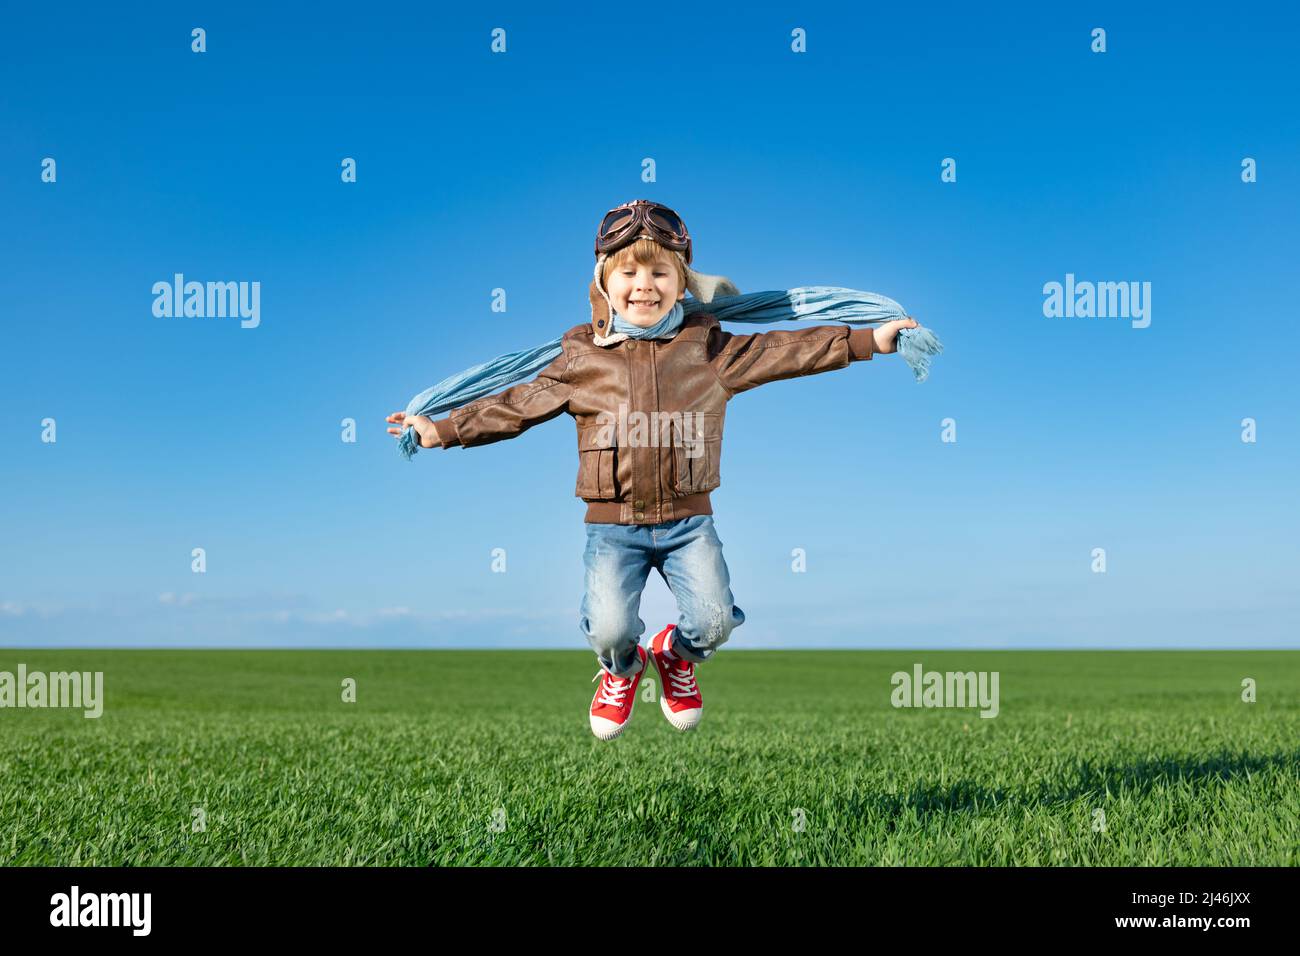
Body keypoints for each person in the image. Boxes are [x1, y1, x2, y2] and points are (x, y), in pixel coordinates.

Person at [386, 200, 920, 740]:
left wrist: (866, 341)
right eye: (629, 272)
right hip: (612, 529)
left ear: (683, 282)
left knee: (714, 622)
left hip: (689, 524)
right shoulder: (580, 358)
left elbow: (784, 350)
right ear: (603, 282)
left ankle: (674, 656)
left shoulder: (707, 349)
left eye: (660, 272)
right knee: (610, 630)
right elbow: (517, 405)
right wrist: (443, 430)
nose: (644, 284)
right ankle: (621, 671)